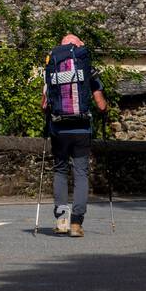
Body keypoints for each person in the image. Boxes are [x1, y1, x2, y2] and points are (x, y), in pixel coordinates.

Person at [42, 32, 107, 238]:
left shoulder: (52, 68)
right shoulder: (87, 69)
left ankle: (61, 221)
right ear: (79, 46)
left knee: (60, 171)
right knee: (80, 174)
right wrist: (105, 110)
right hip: (82, 129)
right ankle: (76, 224)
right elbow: (101, 104)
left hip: (59, 129)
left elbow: (44, 104)